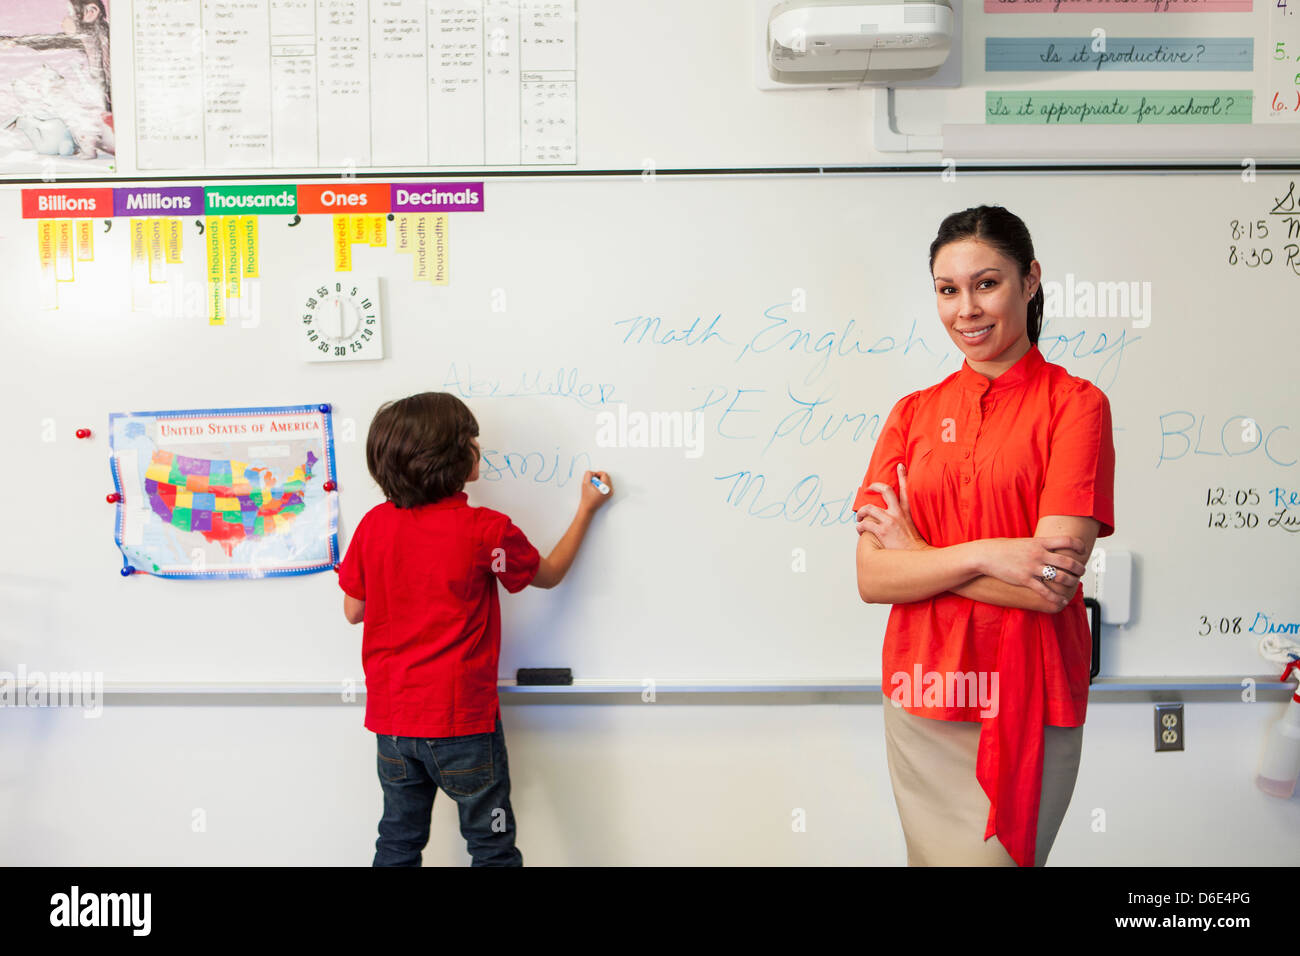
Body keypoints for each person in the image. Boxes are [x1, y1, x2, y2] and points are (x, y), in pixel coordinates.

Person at [853, 205, 1116, 867]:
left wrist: (919, 556)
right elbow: (872, 578)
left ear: (1030, 282)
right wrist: (988, 553)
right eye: (948, 290)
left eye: (986, 283)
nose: (965, 309)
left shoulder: (1076, 406)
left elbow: (1052, 586)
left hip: (1029, 696)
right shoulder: (911, 415)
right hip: (922, 696)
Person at [337, 392, 612, 866]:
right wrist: (586, 508)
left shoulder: (374, 525)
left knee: (398, 842)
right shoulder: (486, 531)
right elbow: (547, 575)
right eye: (471, 440)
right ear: (449, 455)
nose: (478, 449)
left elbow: (353, 610)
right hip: (463, 724)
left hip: (394, 725)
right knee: (490, 845)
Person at [1, 1, 112, 113]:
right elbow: (52, 41)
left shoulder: (97, 38)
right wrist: (15, 41)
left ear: (91, 12)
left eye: (70, 13)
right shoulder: (91, 37)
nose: (64, 21)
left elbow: (52, 41)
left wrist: (15, 41)